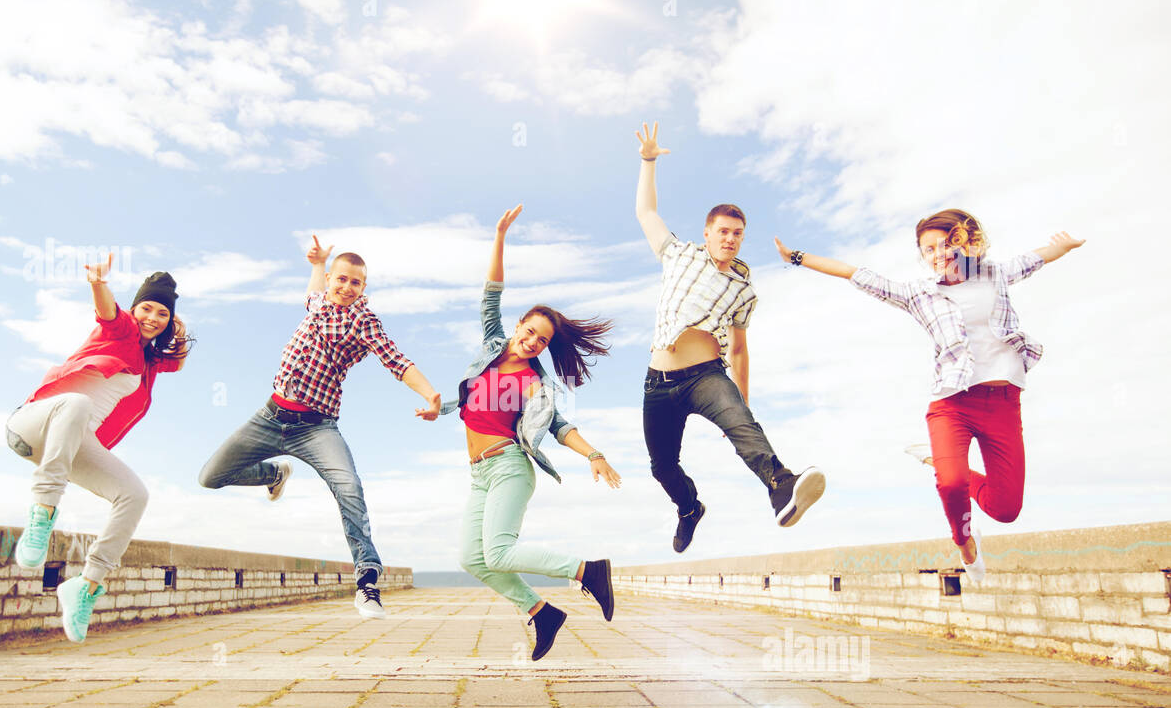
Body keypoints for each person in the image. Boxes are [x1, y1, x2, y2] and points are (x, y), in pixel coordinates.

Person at [774, 209, 1085, 582]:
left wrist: (1063, 247)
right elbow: (854, 274)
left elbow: (1035, 259)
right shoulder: (918, 294)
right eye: (928, 249)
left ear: (963, 242)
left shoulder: (993, 274)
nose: (938, 254)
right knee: (951, 483)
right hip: (952, 403)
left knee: (1005, 510)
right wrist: (796, 257)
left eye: (945, 244)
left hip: (1003, 405)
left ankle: (935, 462)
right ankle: (965, 543)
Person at [198, 236, 441, 619]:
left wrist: (430, 395)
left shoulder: (363, 321)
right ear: (331, 280)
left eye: (355, 283)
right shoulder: (317, 299)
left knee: (349, 487)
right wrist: (317, 261)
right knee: (210, 476)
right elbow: (313, 289)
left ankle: (367, 582)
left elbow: (397, 360)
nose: (346, 288)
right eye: (340, 279)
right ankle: (274, 473)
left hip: (317, 428)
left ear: (364, 288)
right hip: (270, 417)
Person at [635, 121, 825, 553]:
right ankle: (689, 508)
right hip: (658, 382)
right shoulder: (679, 254)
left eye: (737, 233)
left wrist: (742, 398)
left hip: (706, 376)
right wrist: (648, 163)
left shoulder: (744, 289)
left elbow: (738, 349)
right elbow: (646, 213)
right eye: (723, 231)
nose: (730, 239)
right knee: (662, 465)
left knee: (744, 427)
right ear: (707, 233)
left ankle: (782, 486)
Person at [446, 205, 619, 661]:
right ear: (519, 324)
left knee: (499, 554)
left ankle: (586, 571)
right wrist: (500, 235)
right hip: (479, 473)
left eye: (542, 340)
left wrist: (593, 453)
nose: (533, 341)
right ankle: (541, 612)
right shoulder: (491, 347)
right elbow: (490, 297)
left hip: (509, 468)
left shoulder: (537, 384)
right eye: (530, 331)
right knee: (471, 558)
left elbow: (560, 427)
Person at [7, 256, 191, 642]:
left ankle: (86, 585)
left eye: (162, 313)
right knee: (77, 403)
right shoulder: (119, 330)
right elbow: (108, 313)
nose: (152, 318)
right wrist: (97, 282)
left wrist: (180, 332)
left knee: (134, 494)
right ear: (134, 308)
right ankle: (42, 514)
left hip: (70, 444)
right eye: (146, 308)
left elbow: (177, 364)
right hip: (31, 424)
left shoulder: (149, 363)